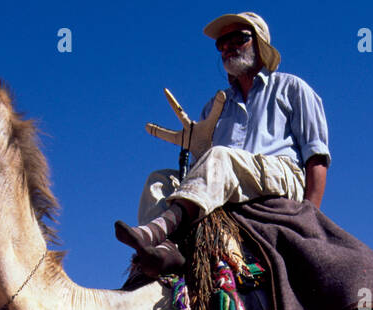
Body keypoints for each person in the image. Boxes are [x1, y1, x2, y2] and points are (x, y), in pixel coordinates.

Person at [115, 11, 330, 273]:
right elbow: (205, 171)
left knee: (220, 157)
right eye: (221, 44)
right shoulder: (214, 107)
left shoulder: (292, 88)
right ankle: (166, 251)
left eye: (238, 39)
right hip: (227, 178)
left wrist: (310, 220)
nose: (227, 48)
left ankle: (160, 231)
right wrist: (197, 149)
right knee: (159, 179)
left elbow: (316, 158)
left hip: (283, 176)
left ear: (260, 43)